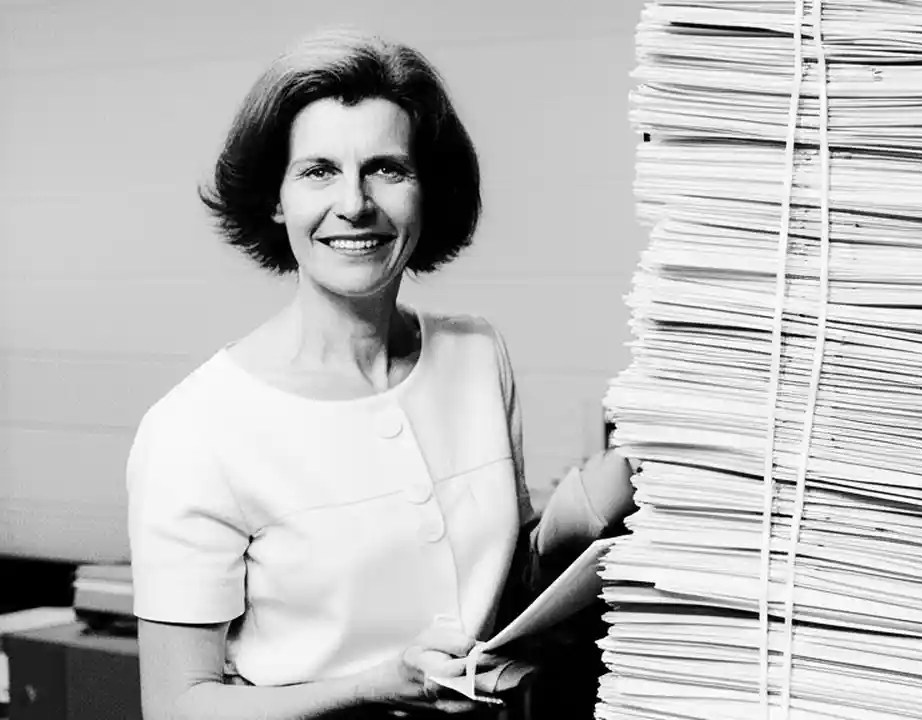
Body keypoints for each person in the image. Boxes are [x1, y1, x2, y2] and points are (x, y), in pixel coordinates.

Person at [125, 28, 635, 720]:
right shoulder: (196, 428)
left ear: (426, 190)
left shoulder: (477, 355)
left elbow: (498, 587)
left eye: (387, 169)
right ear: (275, 200)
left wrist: (599, 499)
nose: (356, 204)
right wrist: (370, 685)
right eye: (318, 171)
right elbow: (177, 706)